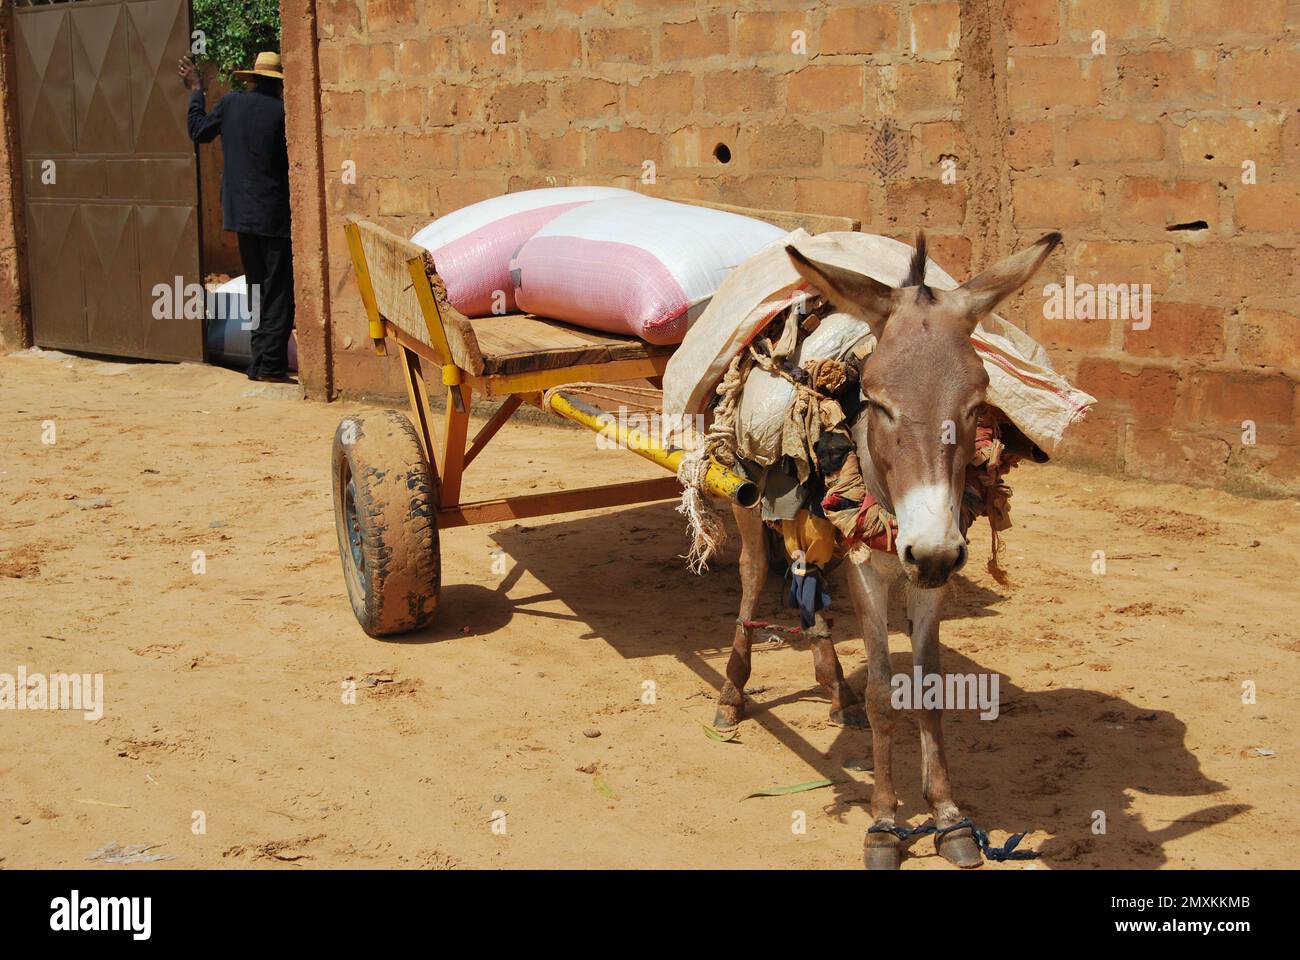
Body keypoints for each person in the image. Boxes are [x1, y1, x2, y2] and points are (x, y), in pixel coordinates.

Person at [179, 51, 295, 384]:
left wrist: (195, 90)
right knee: (279, 292)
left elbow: (198, 130)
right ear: (277, 85)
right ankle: (270, 365)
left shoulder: (230, 105)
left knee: (258, 288)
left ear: (253, 79)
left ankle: (258, 364)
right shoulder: (282, 113)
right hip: (274, 218)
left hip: (241, 216)